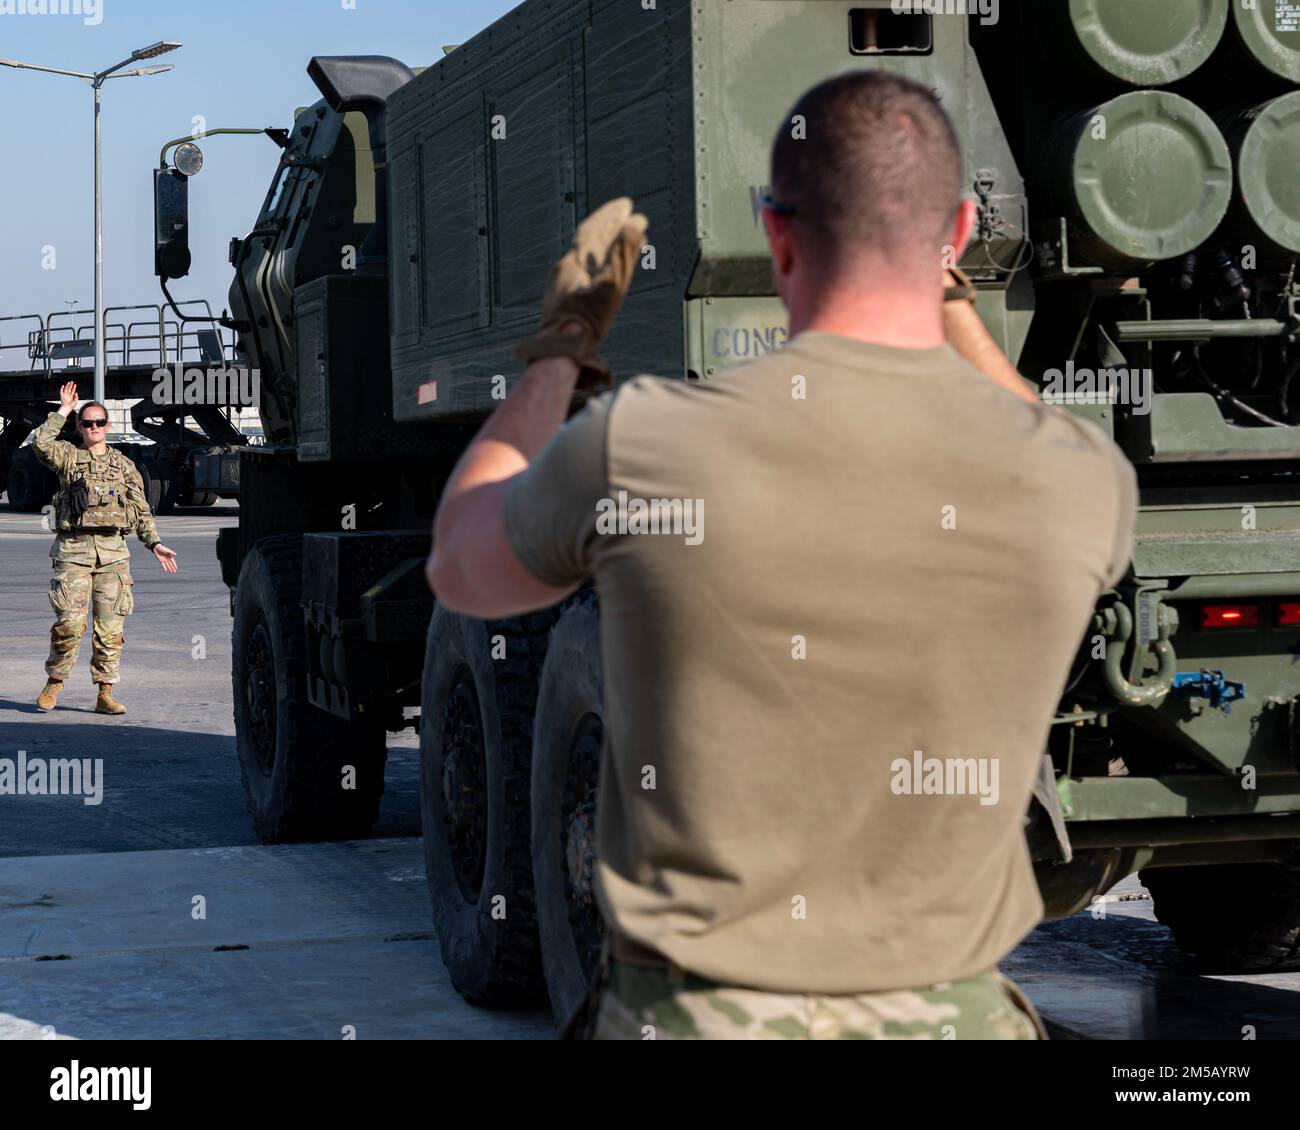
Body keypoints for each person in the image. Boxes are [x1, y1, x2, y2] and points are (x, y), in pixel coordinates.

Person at [426, 72, 1137, 1039]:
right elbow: (1024, 419)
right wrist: (945, 284)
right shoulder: (1076, 481)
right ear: (964, 233)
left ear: (774, 233)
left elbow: (465, 561)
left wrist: (564, 344)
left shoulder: (641, 444)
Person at [32, 381, 179, 716]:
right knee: (69, 624)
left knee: (111, 629)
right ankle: (55, 681)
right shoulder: (69, 457)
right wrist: (64, 409)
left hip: (113, 554)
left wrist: (154, 543)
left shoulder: (124, 466)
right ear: (79, 427)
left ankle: (105, 693)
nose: (94, 427)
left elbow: (141, 510)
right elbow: (41, 445)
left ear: (108, 426)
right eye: (87, 423)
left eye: (99, 422)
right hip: (74, 551)